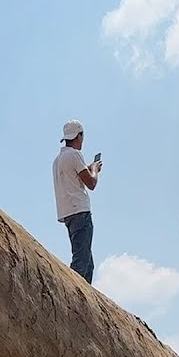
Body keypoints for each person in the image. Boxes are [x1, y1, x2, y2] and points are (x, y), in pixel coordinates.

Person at [52, 119, 102, 283]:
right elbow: (91, 183)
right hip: (80, 210)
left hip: (68, 212)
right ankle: (69, 293)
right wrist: (94, 170)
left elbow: (73, 177)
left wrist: (86, 168)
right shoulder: (74, 155)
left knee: (87, 263)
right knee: (81, 263)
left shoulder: (58, 160)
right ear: (79, 136)